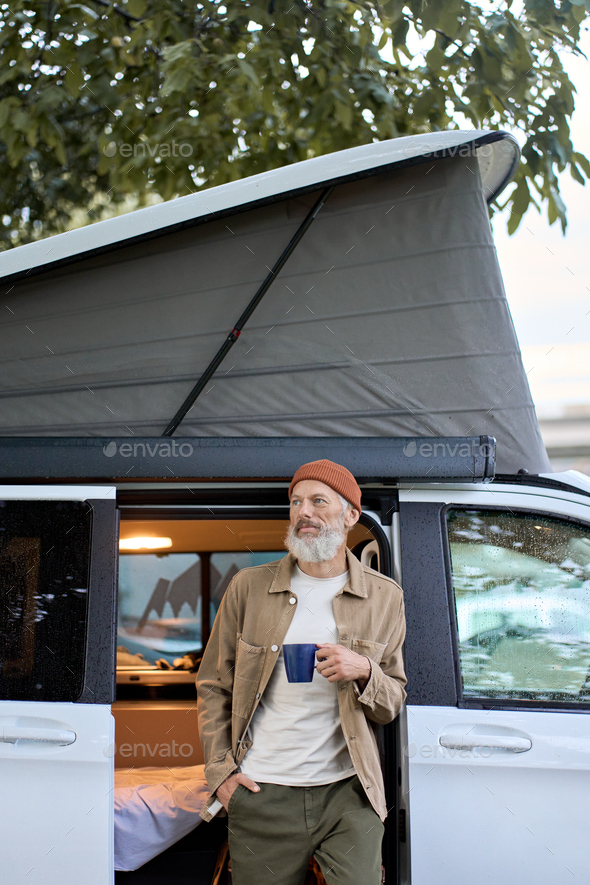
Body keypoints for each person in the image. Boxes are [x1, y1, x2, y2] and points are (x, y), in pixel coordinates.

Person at [196, 459, 406, 885]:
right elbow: (213, 686)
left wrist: (364, 670)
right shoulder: (248, 588)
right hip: (261, 791)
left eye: (317, 501)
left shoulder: (384, 597)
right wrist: (221, 773)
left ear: (350, 516)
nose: (303, 512)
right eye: (295, 502)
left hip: (349, 793)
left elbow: (392, 701)